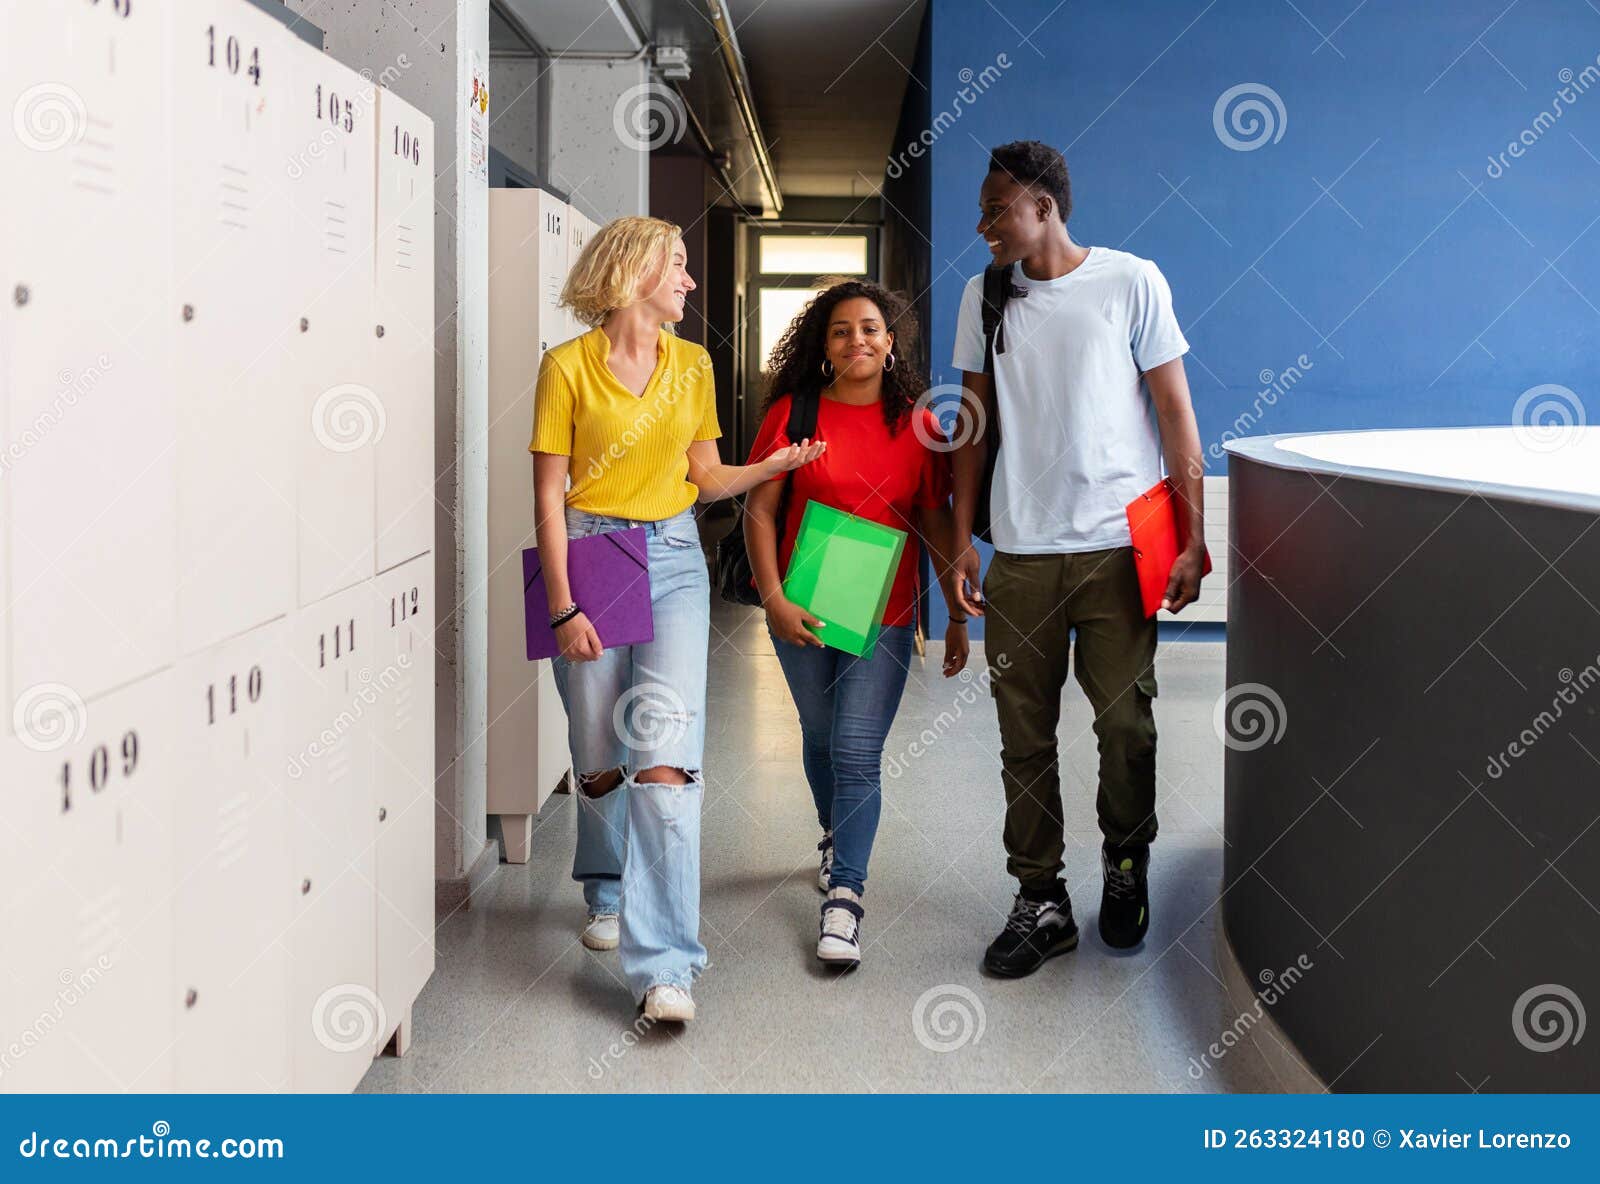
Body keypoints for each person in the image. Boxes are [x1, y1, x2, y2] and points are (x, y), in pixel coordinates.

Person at [529, 216, 824, 1022]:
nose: (689, 282)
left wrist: (771, 466)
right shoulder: (566, 369)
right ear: (633, 272)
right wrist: (562, 607)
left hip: (673, 562)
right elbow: (549, 501)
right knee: (597, 751)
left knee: (663, 756)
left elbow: (704, 477)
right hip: (590, 555)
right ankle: (604, 888)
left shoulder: (692, 365)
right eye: (679, 267)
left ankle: (665, 967)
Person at [947, 141, 1207, 977]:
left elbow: (1175, 413)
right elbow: (970, 428)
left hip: (1116, 550)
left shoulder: (1133, 282)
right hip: (1021, 555)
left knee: (1125, 726)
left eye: (996, 209)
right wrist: (960, 540)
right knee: (1023, 737)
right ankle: (1041, 898)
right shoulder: (982, 294)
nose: (983, 224)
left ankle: (1126, 867)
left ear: (1044, 207)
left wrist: (1194, 536)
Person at [744, 280, 970, 968]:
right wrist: (775, 600)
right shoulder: (794, 413)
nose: (857, 341)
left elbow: (934, 517)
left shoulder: (921, 425)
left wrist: (957, 610)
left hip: (887, 610)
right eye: (841, 331)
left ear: (891, 342)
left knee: (854, 749)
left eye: (869, 328)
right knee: (819, 737)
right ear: (824, 345)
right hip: (805, 601)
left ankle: (846, 896)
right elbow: (757, 511)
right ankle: (833, 832)